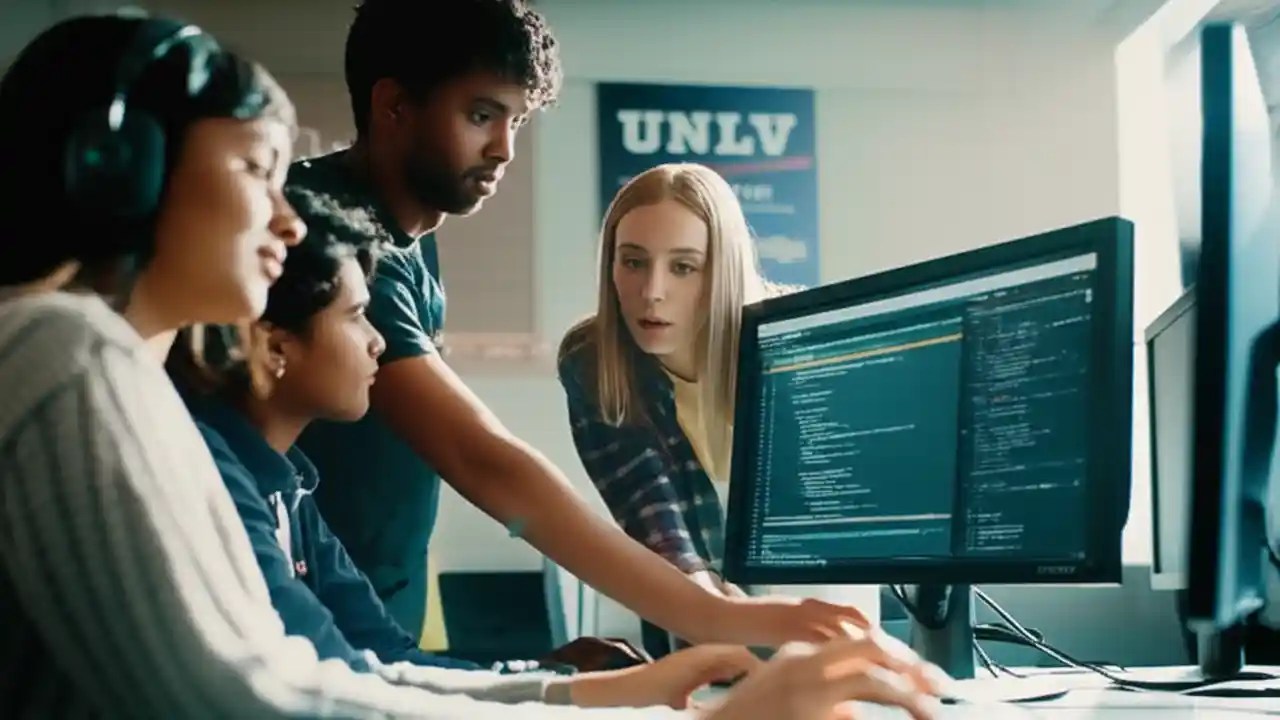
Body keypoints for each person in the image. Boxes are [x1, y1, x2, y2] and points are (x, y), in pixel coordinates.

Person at [0, 12, 948, 720]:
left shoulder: (196, 418)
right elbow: (254, 696)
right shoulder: (67, 351)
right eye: (255, 172)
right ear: (126, 176)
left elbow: (346, 675)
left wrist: (596, 693)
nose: (287, 223)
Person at [290, 0, 871, 651]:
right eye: (481, 115)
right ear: (394, 105)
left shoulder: (407, 238)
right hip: (304, 624)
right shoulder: (326, 234)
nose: (505, 149)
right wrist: (718, 618)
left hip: (372, 616)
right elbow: (482, 462)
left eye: (517, 121)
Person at [557, 163, 792, 658]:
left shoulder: (793, 344)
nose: (652, 291)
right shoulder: (595, 364)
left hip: (833, 609)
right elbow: (660, 528)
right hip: (701, 635)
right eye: (633, 262)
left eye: (683, 267)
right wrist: (713, 616)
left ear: (722, 270)